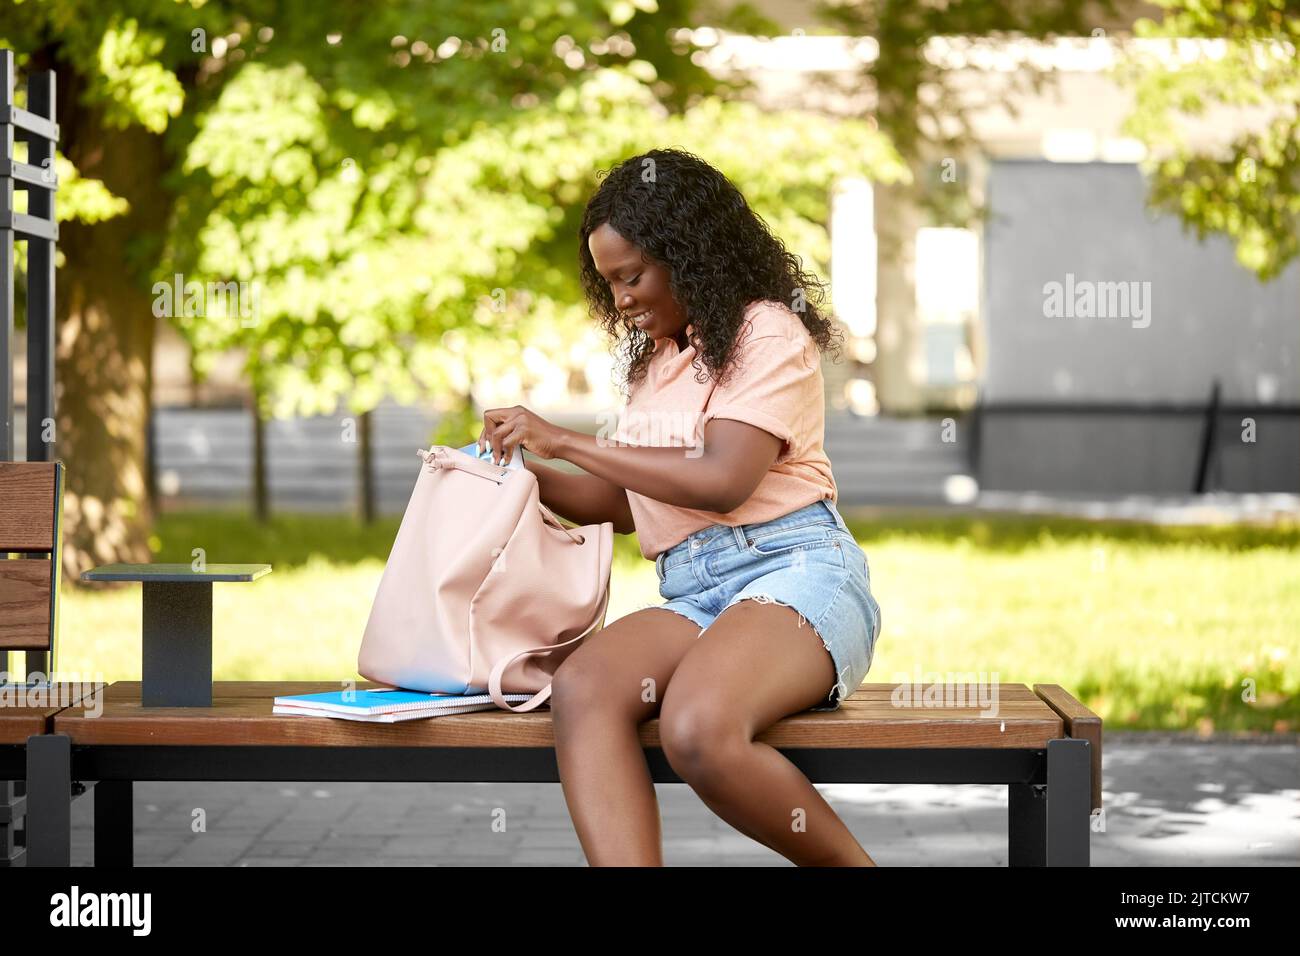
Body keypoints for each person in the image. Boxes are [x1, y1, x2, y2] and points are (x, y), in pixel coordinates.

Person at [476, 147, 883, 866]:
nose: (622, 300)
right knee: (584, 691)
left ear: (689, 253)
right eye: (609, 284)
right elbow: (628, 502)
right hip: (695, 592)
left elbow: (722, 478)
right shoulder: (654, 361)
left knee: (698, 726)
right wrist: (512, 473)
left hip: (794, 572)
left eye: (632, 276)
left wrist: (566, 440)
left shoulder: (766, 332)